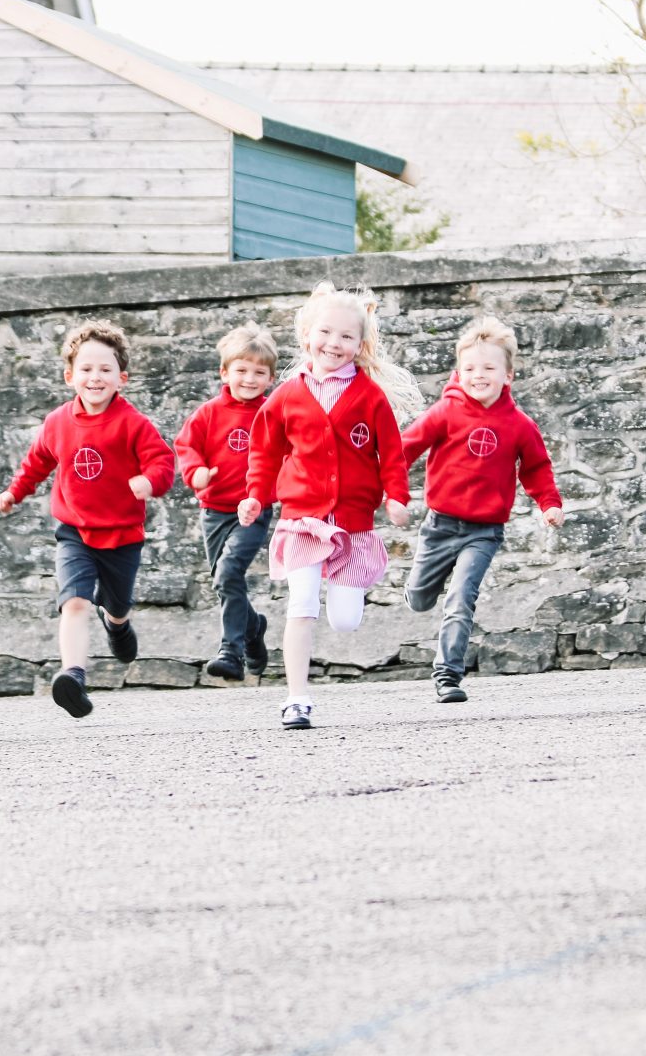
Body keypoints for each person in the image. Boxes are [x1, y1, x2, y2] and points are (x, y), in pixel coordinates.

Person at [239, 283, 420, 730]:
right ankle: (296, 699)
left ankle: (347, 591)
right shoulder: (286, 396)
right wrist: (255, 495)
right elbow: (264, 452)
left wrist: (397, 496)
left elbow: (391, 454)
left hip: (353, 524)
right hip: (302, 520)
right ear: (306, 336)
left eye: (346, 336)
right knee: (301, 605)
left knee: (344, 620)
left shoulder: (370, 396)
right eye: (325, 332)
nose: (334, 343)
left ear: (360, 344)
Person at [0, 321, 175, 719]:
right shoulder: (57, 422)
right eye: (87, 369)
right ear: (70, 376)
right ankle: (73, 676)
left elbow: (163, 463)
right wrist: (14, 492)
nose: (95, 377)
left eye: (105, 369)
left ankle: (117, 623)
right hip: (74, 532)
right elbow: (37, 463)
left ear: (121, 378)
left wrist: (150, 481)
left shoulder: (133, 424)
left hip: (122, 536)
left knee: (116, 604)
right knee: (74, 602)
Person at [399, 316, 563, 704]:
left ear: (508, 375)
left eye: (489, 368)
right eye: (470, 368)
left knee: (461, 597)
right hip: (440, 526)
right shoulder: (444, 412)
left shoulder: (520, 425)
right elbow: (406, 448)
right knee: (420, 599)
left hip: (483, 532)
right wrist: (385, 487)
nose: (478, 375)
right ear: (459, 373)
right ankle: (419, 588)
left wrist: (550, 504)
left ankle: (447, 676)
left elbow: (537, 468)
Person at [175, 323, 280, 683]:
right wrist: (196, 472)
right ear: (224, 372)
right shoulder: (208, 413)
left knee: (229, 571)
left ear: (270, 378)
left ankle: (230, 652)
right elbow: (186, 446)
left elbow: (289, 453)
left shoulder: (273, 413)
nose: (249, 379)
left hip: (253, 510)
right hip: (214, 512)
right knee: (224, 580)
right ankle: (254, 628)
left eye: (259, 373)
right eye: (242, 370)